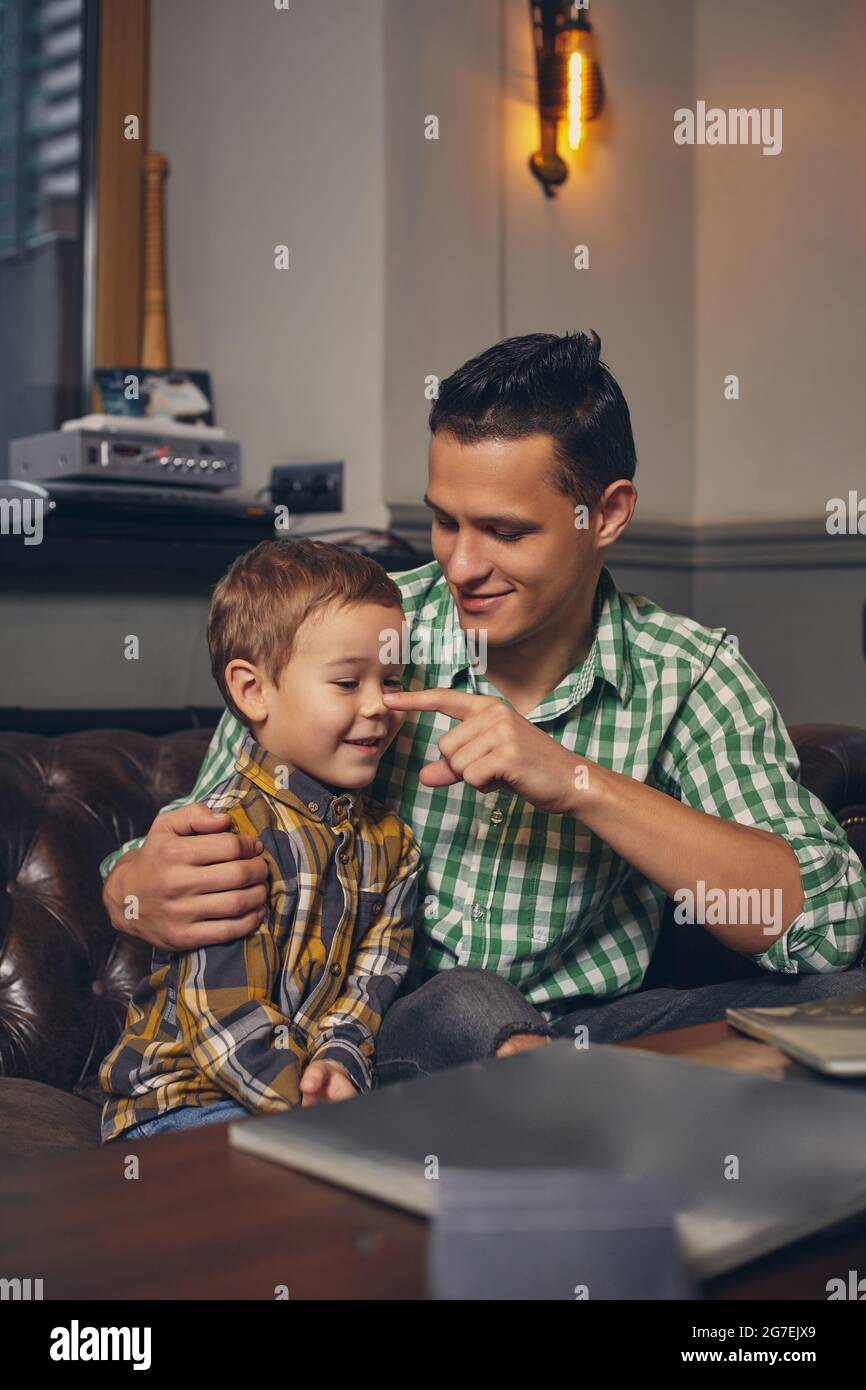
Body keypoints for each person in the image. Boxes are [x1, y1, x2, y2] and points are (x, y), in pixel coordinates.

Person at [100, 330, 866, 1091]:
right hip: (383, 1028)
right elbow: (169, 855)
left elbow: (826, 925)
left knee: (839, 1007)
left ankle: (590, 1121)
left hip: (590, 1033)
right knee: (469, 999)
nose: (461, 566)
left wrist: (575, 781)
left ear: (605, 515)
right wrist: (133, 888)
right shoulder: (352, 630)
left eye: (505, 531)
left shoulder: (690, 673)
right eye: (445, 521)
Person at [99, 540, 421, 1140]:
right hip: (184, 1102)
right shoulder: (222, 833)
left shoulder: (394, 846)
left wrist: (339, 1063)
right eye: (348, 682)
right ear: (253, 692)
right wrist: (312, 1117)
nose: (380, 706)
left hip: (303, 1097)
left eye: (393, 680)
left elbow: (372, 982)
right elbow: (221, 1016)